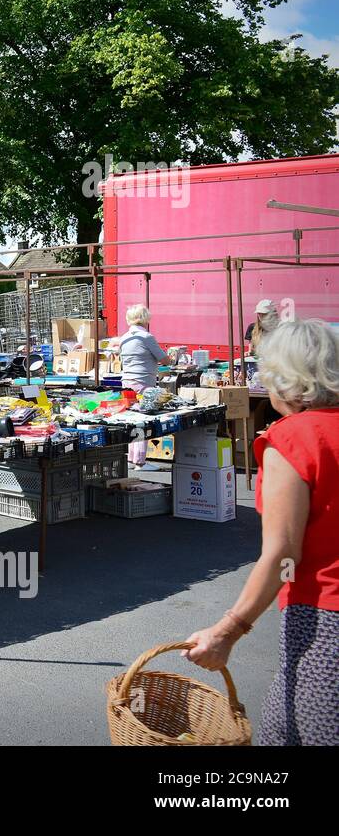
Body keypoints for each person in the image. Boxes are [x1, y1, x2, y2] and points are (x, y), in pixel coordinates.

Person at [184, 319, 339, 745]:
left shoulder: (294, 438)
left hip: (325, 621)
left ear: (285, 381)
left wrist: (227, 630)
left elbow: (284, 554)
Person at [118, 304, 167, 471]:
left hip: (127, 382)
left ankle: (132, 459)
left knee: (132, 420)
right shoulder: (146, 337)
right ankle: (140, 462)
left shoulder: (124, 338)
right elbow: (163, 359)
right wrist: (172, 358)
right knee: (143, 421)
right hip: (144, 382)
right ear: (144, 318)